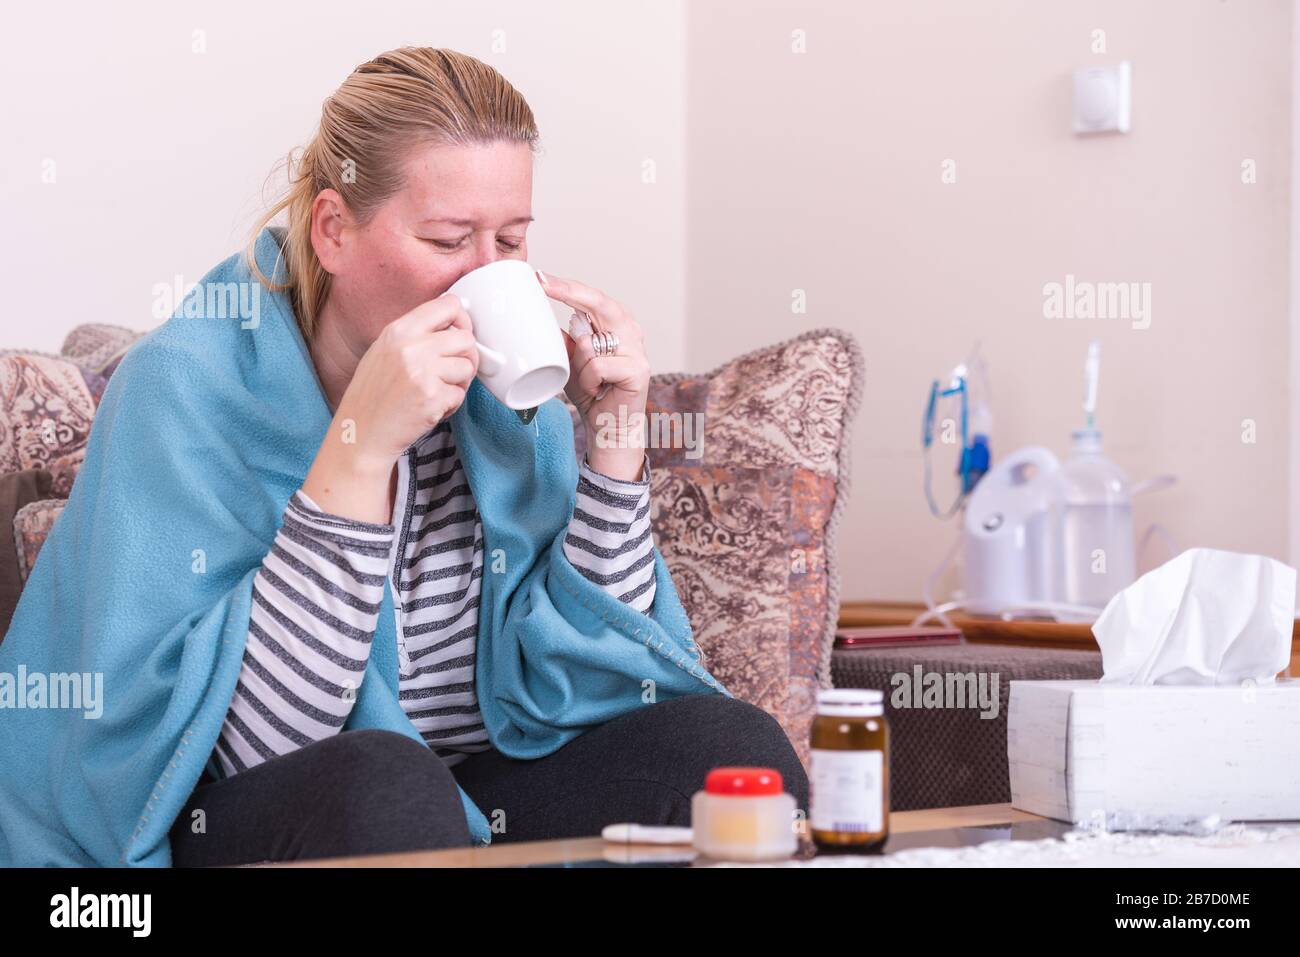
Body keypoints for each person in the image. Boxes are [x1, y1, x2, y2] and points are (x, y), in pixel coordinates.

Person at [0, 47, 807, 867]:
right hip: (231, 819)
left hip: (466, 801)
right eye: (449, 238)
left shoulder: (508, 407)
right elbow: (249, 751)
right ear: (333, 230)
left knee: (730, 751)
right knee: (388, 785)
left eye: (511, 240)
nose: (487, 277)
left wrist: (614, 448)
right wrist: (360, 452)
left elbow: (594, 691)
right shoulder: (183, 391)